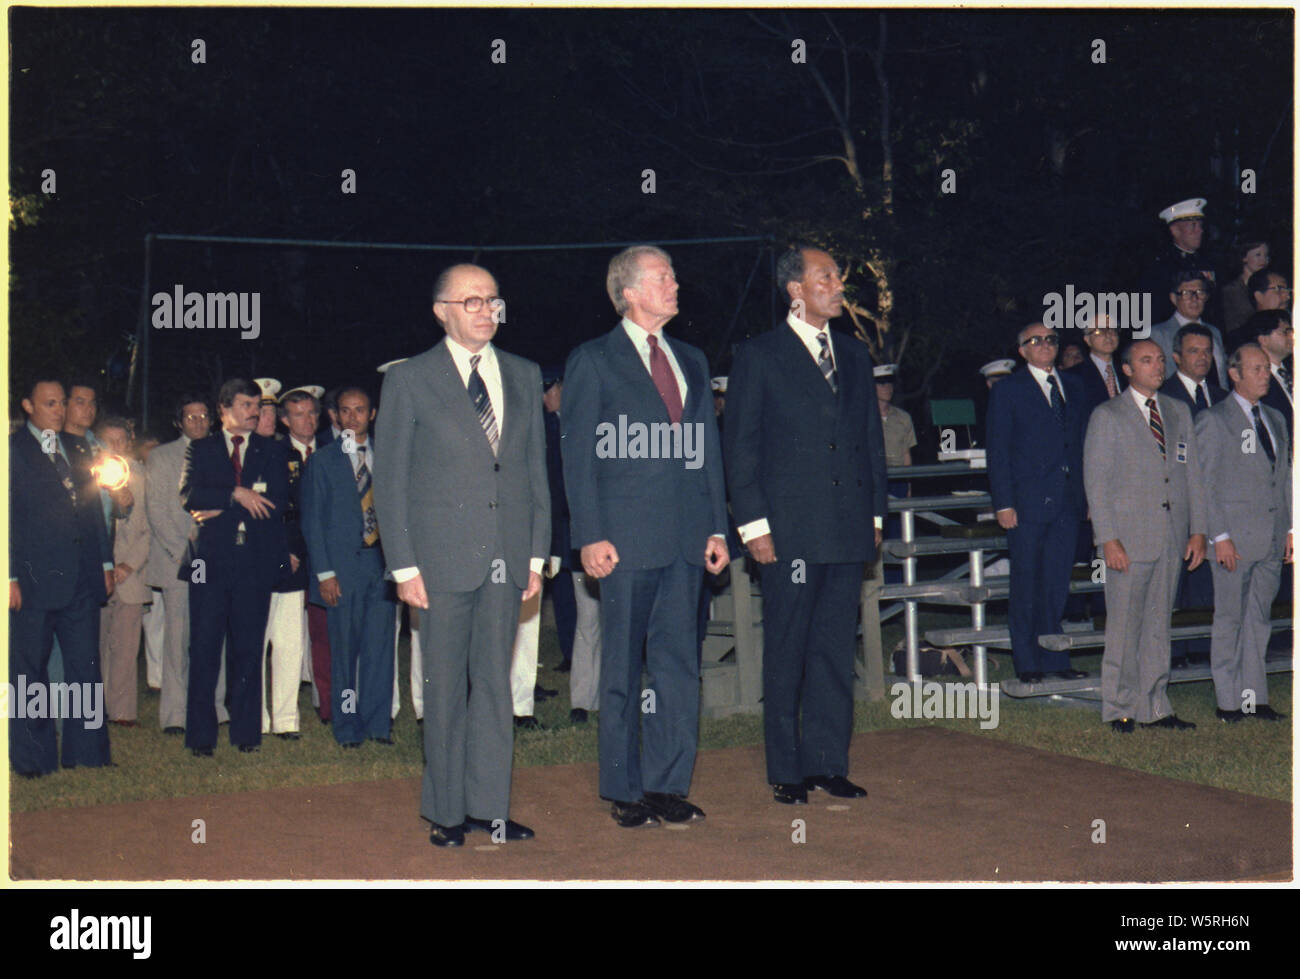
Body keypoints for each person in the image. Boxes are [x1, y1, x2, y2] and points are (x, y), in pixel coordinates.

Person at [373, 263, 549, 848]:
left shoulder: (524, 375)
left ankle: (489, 808)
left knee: (495, 687)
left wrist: (537, 554)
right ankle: (446, 811)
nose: (484, 311)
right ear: (441, 311)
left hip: (508, 557)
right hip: (439, 562)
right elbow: (391, 479)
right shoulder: (409, 379)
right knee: (444, 687)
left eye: (492, 300)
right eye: (470, 301)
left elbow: (532, 473)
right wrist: (403, 566)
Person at [563, 245, 728, 826]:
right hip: (624, 541)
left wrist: (717, 527)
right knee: (623, 670)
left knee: (679, 667)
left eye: (674, 275)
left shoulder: (691, 358)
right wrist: (589, 535)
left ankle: (666, 785)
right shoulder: (594, 360)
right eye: (663, 277)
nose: (675, 284)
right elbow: (578, 457)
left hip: (686, 539)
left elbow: (706, 447)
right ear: (629, 291)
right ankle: (624, 789)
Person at [724, 244, 887, 805]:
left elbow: (870, 442)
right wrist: (753, 527)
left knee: (835, 649)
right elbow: (740, 448)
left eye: (839, 277)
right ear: (795, 289)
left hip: (846, 528)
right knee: (788, 648)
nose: (839, 285)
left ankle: (827, 763)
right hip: (787, 532)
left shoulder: (855, 355)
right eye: (826, 277)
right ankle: (786, 769)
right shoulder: (759, 355)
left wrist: (874, 516)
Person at [1084, 340, 1206, 732]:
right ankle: (1119, 706)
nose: (1156, 367)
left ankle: (1155, 705)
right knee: (1123, 625)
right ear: (1127, 369)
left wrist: (1198, 529)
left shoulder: (1178, 411)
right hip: (1128, 538)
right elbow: (1097, 483)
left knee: (1158, 624)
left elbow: (1192, 476)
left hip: (1171, 536)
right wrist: (1108, 538)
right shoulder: (1108, 415)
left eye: (1158, 360)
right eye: (1146, 360)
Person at [9, 375, 114, 776]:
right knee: (29, 672)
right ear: (28, 406)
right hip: (33, 581)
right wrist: (9, 576)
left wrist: (104, 564)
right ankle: (33, 760)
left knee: (85, 667)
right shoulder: (14, 451)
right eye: (49, 403)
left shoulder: (76, 447)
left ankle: (87, 753)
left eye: (60, 403)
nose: (58, 410)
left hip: (81, 579)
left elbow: (92, 513)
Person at [180, 378, 291, 756]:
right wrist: (237, 494)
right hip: (209, 563)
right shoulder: (203, 448)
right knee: (205, 647)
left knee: (248, 648)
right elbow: (190, 495)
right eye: (246, 404)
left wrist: (222, 506)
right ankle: (200, 738)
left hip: (253, 563)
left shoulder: (272, 450)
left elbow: (276, 501)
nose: (254, 411)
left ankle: (246, 735)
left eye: (257, 405)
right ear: (224, 409)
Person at [987, 322, 1089, 683]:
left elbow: (1080, 447)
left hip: (1067, 502)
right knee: (1027, 582)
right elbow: (998, 451)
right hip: (1027, 503)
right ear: (1022, 351)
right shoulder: (1009, 390)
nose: (1045, 346)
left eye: (1050, 340)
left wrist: (1085, 494)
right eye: (1036, 341)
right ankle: (1027, 662)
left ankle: (1055, 660)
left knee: (1057, 584)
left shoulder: (1074, 387)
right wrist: (1004, 503)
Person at [1194, 343, 1291, 723]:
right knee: (1230, 619)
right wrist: (1219, 536)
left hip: (1269, 538)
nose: (1265, 374)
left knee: (1259, 620)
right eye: (1256, 369)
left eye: (1266, 368)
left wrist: (1289, 528)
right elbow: (1205, 484)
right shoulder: (1214, 420)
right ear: (1234, 374)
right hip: (1233, 538)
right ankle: (1228, 700)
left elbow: (1282, 479)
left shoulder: (1276, 419)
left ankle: (1254, 697)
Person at [302, 385, 397, 746]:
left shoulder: (387, 456)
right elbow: (312, 521)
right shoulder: (323, 461)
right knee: (343, 652)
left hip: (382, 565)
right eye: (346, 410)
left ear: (372, 414)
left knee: (380, 648)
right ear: (336, 416)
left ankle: (377, 725)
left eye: (360, 409)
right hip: (343, 568)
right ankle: (346, 727)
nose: (353, 416)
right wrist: (325, 573)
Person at [145, 394, 224, 735]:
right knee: (178, 640)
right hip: (180, 560)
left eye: (204, 416)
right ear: (179, 422)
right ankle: (175, 715)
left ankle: (216, 706)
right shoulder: (161, 457)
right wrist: (187, 557)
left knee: (214, 635)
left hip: (217, 560)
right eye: (191, 417)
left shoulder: (222, 453)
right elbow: (158, 513)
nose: (198, 422)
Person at [1158, 324, 1228, 667]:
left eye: (1206, 351)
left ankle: (1202, 647)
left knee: (1207, 577)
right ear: (1175, 358)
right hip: (1177, 501)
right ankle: (1175, 652)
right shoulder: (1164, 395)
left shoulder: (1223, 395)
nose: (1202, 358)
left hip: (1217, 501)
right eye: (1193, 351)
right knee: (1177, 580)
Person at [259, 384, 323, 740]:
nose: (308, 420)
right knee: (257, 642)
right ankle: (256, 719)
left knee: (289, 643)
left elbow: (305, 512)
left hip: (297, 563)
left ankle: (285, 719)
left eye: (312, 412)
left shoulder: (306, 455)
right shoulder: (261, 454)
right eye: (262, 413)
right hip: (268, 561)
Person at [861, 364, 914, 698]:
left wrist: (909, 488)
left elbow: (908, 455)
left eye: (889, 382)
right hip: (872, 484)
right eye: (880, 383)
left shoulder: (902, 418)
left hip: (897, 484)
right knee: (875, 548)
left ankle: (897, 603)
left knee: (898, 545)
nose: (886, 388)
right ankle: (877, 607)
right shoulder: (861, 414)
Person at [95, 417, 151, 726]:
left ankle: (122, 711)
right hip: (98, 573)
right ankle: (97, 707)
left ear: (128, 442)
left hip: (130, 572)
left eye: (121, 440)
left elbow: (148, 530)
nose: (115, 446)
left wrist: (128, 566)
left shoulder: (141, 475)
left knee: (126, 647)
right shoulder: (91, 474)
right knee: (98, 643)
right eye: (109, 440)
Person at [1138, 197, 1219, 325]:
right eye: (1193, 226)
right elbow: (1154, 310)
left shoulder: (1209, 262)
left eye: (1200, 225)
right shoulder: (1161, 266)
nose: (1200, 230)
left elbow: (1215, 308)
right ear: (1175, 231)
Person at [1151, 274, 1228, 390]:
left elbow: (1222, 378)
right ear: (1173, 298)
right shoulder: (1159, 334)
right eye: (1187, 293)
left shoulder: (1214, 332)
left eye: (1200, 292)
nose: (1194, 299)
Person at [1238, 310, 1294, 440]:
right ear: (1263, 339)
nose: (1291, 336)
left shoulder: (1292, 372)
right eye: (1285, 332)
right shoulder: (1254, 381)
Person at [1066, 314, 1126, 417]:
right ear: (1087, 339)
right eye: (1099, 331)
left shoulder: (1128, 371)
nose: (1108, 335)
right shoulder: (1073, 376)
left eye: (1112, 330)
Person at [1221, 238, 1270, 336]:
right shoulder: (1231, 289)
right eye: (1258, 255)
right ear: (1244, 258)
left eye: (1266, 255)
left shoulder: (1269, 285)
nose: (1263, 260)